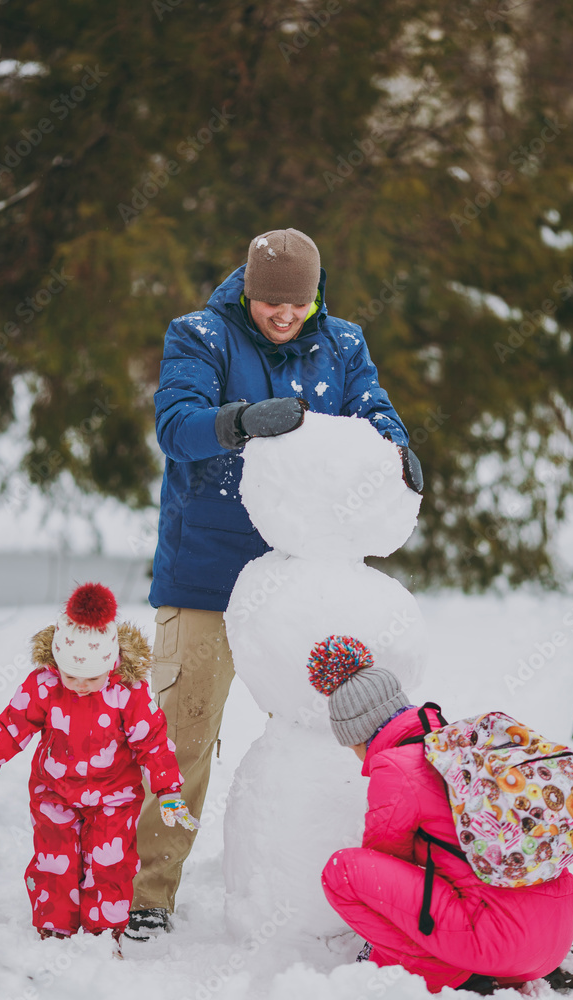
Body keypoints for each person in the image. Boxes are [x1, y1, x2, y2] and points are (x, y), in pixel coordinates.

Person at [130, 228, 422, 938]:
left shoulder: (342, 343)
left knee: (315, 734)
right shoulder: (199, 335)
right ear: (248, 291)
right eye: (268, 303)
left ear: (314, 294)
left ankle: (316, 887)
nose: (282, 315)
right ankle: (151, 890)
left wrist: (397, 446)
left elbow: (371, 408)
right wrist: (238, 422)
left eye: (295, 303)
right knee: (183, 739)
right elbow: (176, 426)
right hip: (203, 572)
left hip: (298, 585)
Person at [308, 636, 573, 995]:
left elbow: (383, 862)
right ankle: (481, 965)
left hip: (497, 943)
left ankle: (436, 972)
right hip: (554, 937)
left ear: (359, 737)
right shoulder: (462, 749)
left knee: (343, 873)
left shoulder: (396, 767)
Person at [0, 583, 197, 945]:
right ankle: (54, 929)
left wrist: (167, 790)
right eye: (71, 675)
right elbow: (11, 727)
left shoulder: (127, 691)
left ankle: (104, 935)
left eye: (92, 678)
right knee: (55, 862)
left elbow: (153, 741)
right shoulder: (44, 686)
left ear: (111, 663)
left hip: (114, 797)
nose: (81, 686)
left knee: (110, 866)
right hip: (53, 792)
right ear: (57, 661)